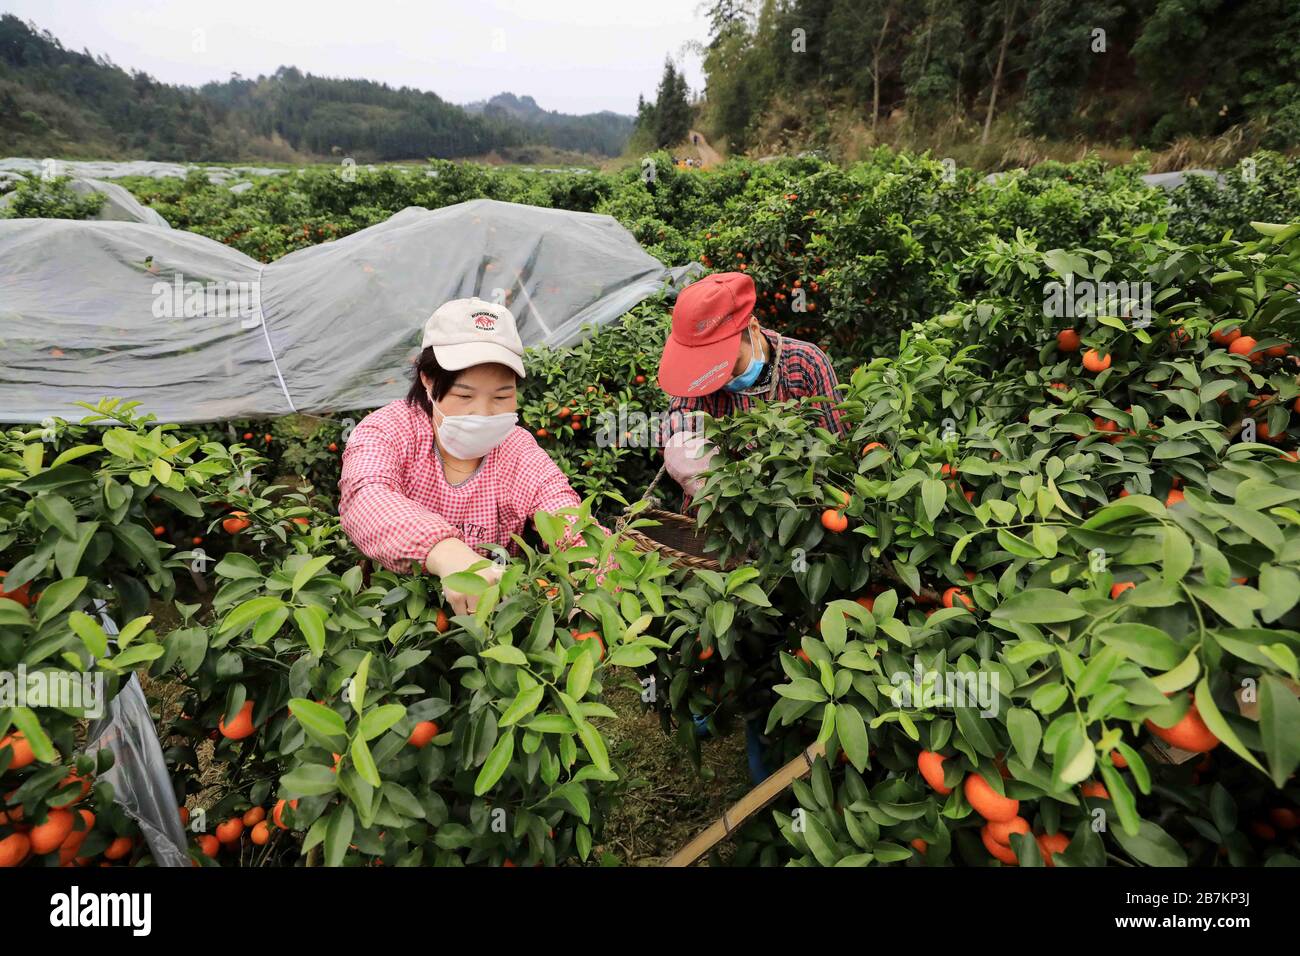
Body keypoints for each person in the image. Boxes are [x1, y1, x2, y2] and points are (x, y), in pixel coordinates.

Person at [339, 297, 600, 614]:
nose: (484, 413)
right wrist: (444, 551)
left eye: (502, 396)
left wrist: (593, 575)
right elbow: (366, 494)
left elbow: (562, 509)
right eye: (465, 395)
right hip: (399, 621)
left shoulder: (515, 449)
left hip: (492, 624)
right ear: (428, 380)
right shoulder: (389, 431)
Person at [657, 272, 847, 502]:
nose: (723, 378)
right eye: (712, 368)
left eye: (732, 364)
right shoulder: (701, 380)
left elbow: (838, 452)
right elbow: (679, 419)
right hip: (717, 522)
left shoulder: (805, 364)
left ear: (754, 329)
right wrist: (684, 447)